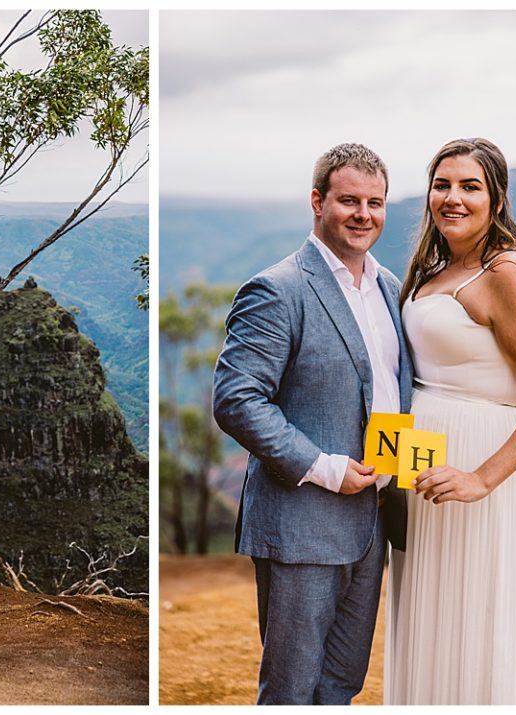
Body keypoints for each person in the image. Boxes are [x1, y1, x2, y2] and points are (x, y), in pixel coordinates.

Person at [212, 143, 412, 704]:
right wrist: (324, 468)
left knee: (340, 687)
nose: (363, 214)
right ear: (318, 201)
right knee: (292, 692)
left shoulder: (392, 290)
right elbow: (236, 400)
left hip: (372, 523)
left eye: (375, 202)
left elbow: (392, 394)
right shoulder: (278, 289)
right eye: (349, 200)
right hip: (302, 524)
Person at [385, 138, 516, 704]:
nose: (453, 197)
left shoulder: (508, 272)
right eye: (442, 184)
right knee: (429, 617)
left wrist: (481, 479)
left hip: (480, 480)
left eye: (470, 186)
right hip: (420, 475)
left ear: (496, 198)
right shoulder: (432, 269)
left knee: (480, 621)